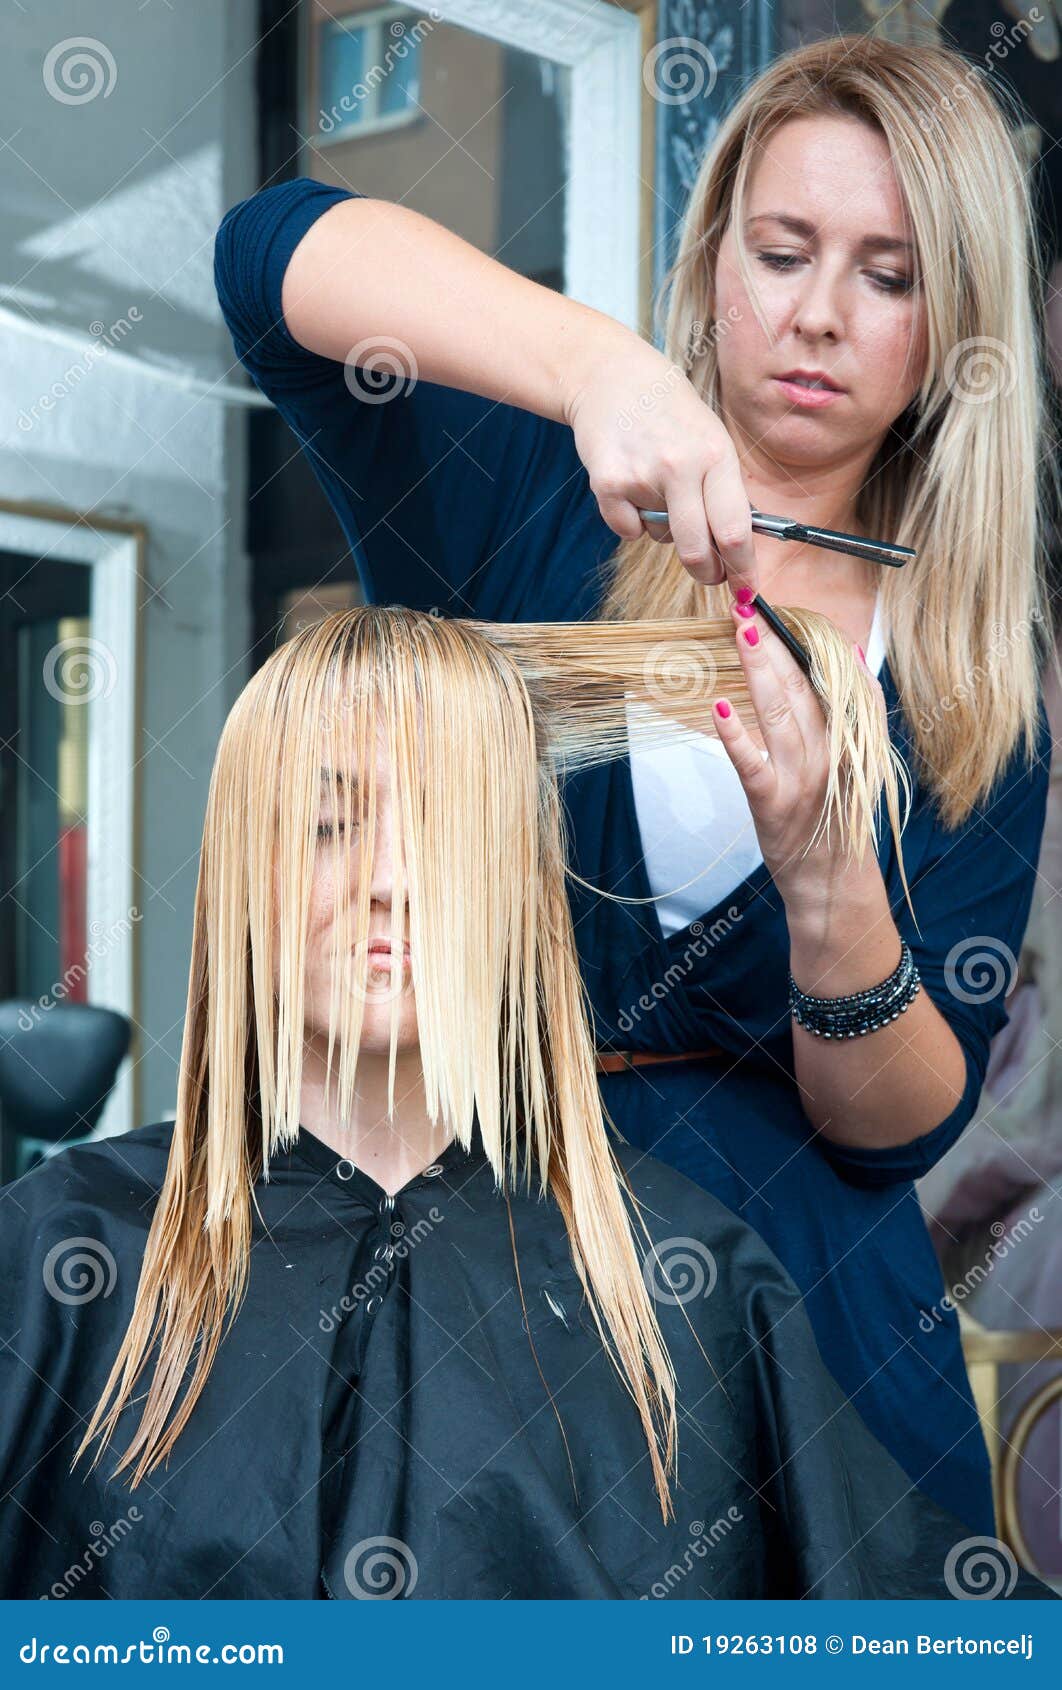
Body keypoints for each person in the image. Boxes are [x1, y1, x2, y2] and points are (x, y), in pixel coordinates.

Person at [211, 34, 1058, 1534]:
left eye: (887, 275)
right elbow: (265, 255)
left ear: (955, 329)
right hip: (484, 1287)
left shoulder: (971, 680)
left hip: (812, 1342)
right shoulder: (530, 488)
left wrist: (823, 881)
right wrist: (599, 367)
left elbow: (899, 1130)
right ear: (713, 252)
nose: (810, 315)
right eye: (780, 250)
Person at [0, 603, 1051, 1601]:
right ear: (241, 866)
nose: (393, 878)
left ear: (521, 879)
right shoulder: (63, 1253)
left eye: (449, 830)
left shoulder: (683, 1284)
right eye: (329, 823)